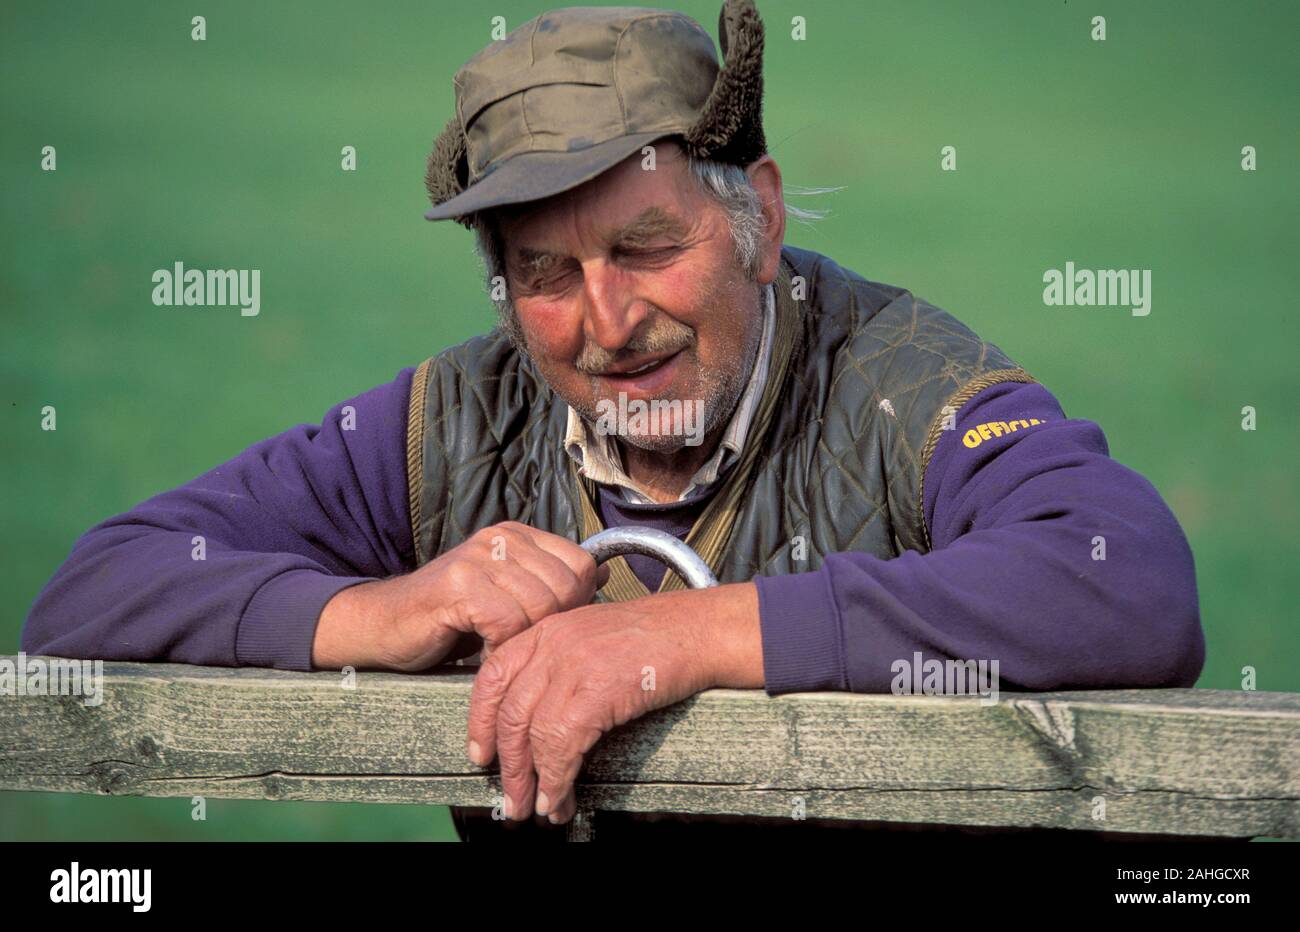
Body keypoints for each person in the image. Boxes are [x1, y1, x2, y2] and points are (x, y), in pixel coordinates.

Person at [22, 1, 1204, 840]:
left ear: (761, 216)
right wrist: (386, 608)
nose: (606, 320)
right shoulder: (451, 420)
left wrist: (677, 639)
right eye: (545, 271)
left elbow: (1127, 580)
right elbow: (94, 592)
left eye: (648, 247)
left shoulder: (904, 384)